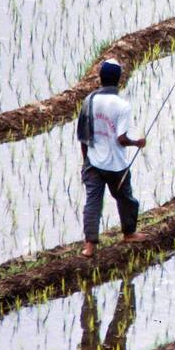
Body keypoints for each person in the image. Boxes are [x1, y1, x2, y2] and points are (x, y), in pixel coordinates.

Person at [76, 59, 148, 257]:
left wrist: (86, 162)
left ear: (100, 78)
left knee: (93, 202)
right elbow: (121, 139)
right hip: (116, 165)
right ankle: (129, 233)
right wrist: (137, 143)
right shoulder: (122, 106)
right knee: (126, 199)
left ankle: (89, 246)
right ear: (118, 80)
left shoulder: (89, 100)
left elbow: (83, 135)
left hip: (93, 161)